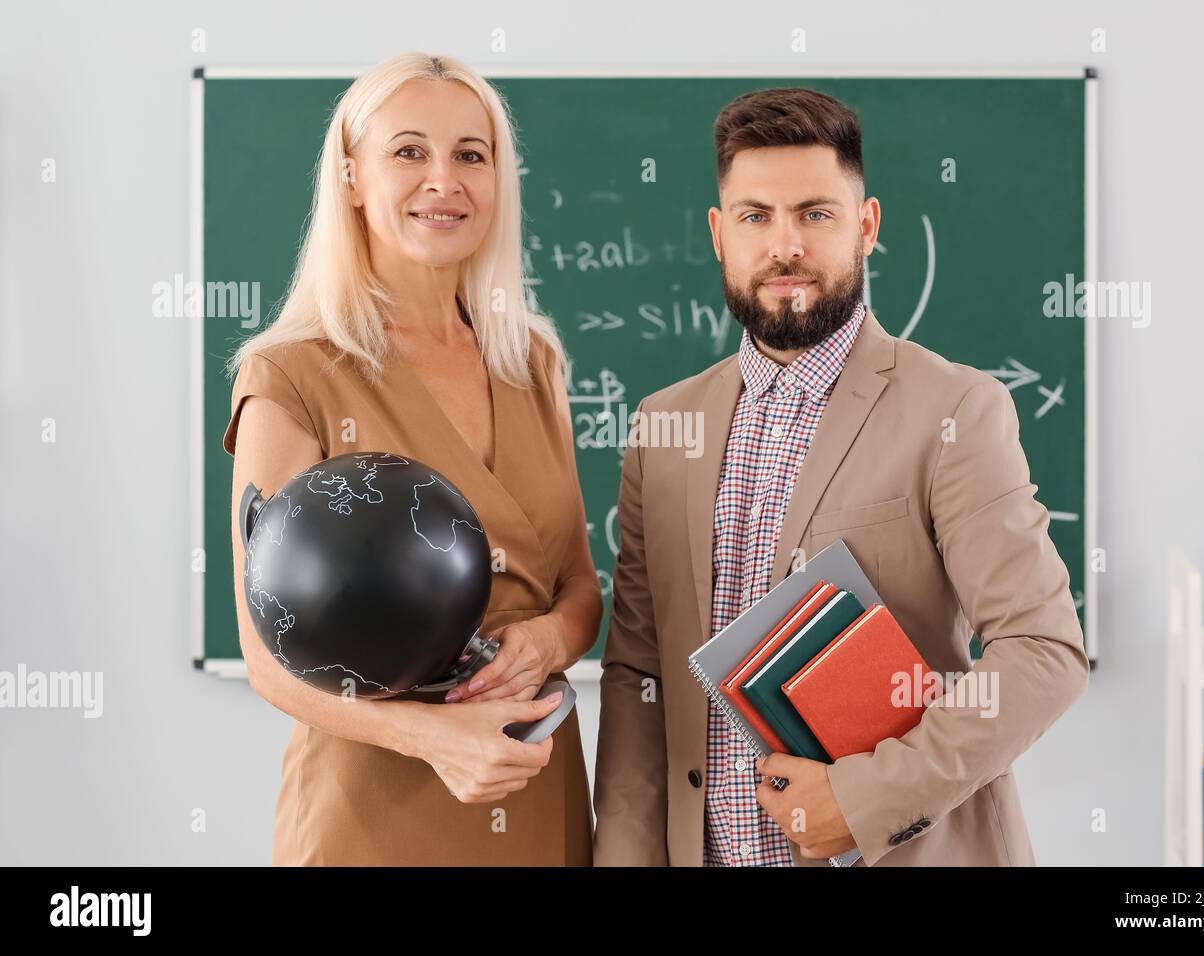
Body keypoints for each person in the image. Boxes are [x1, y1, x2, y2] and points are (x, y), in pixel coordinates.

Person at [593, 87, 1089, 866]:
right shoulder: (664, 426)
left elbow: (1044, 652)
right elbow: (636, 673)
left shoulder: (954, 410)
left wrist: (863, 803)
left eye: (815, 214)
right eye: (756, 216)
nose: (785, 245)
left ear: (866, 226)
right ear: (719, 234)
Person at [224, 52, 602, 866]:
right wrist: (431, 738)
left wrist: (544, 645)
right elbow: (266, 652)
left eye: (471, 154)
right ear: (353, 177)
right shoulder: (290, 373)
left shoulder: (534, 362)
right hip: (372, 808)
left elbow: (579, 587)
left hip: (533, 786)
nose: (444, 181)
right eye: (408, 152)